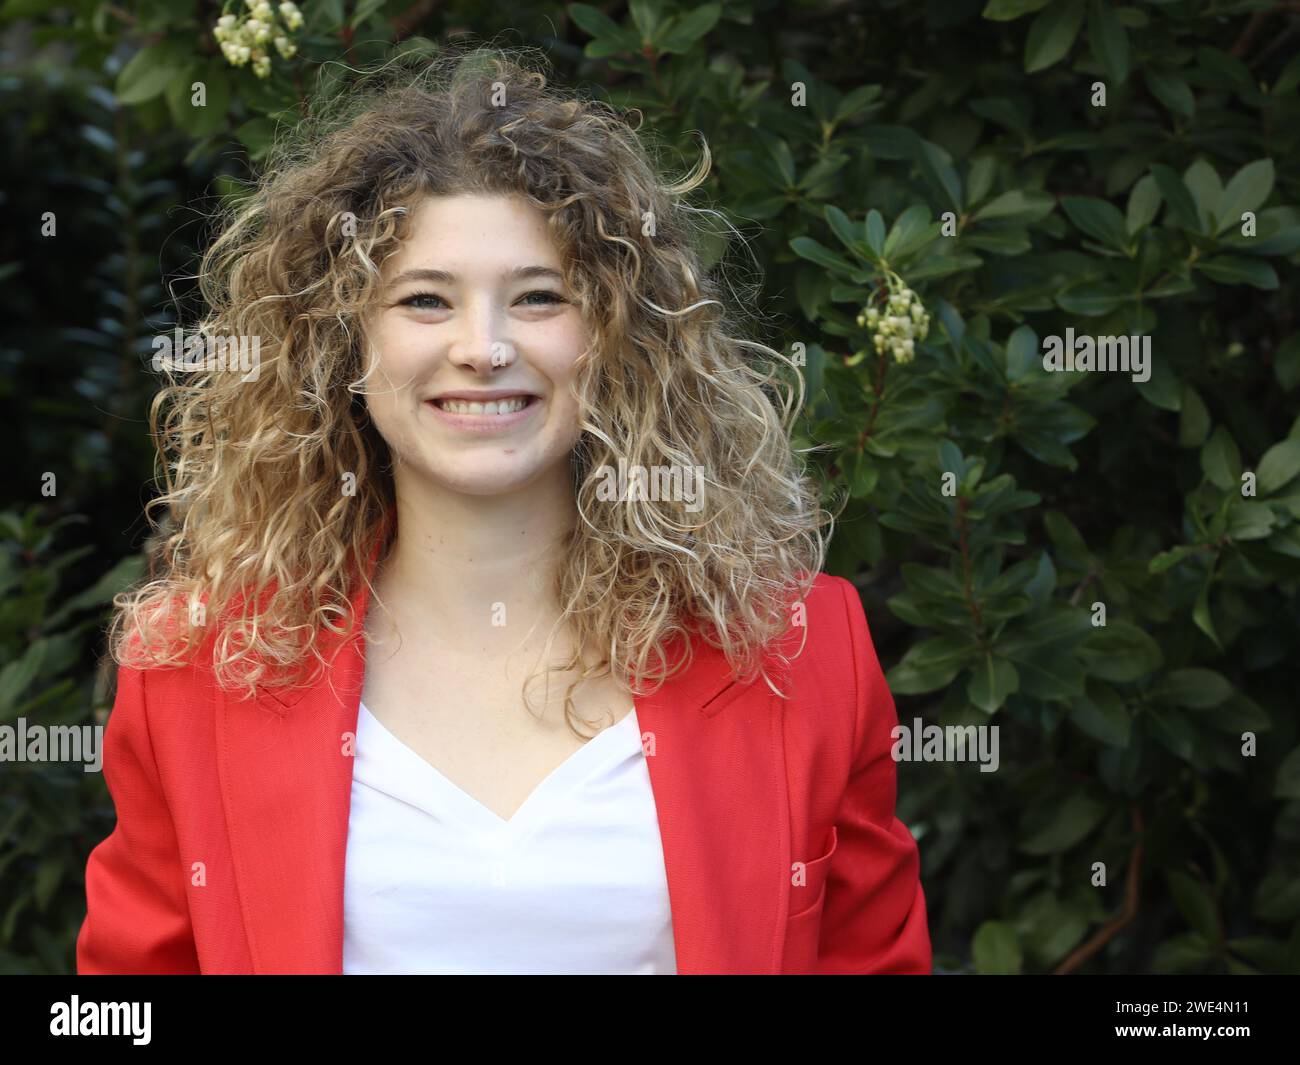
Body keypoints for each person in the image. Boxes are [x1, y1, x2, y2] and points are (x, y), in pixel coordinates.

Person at [76, 47, 931, 975]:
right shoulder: (197, 670)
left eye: (536, 298)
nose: (483, 349)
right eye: (425, 301)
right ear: (342, 345)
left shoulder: (800, 648)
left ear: (614, 335)